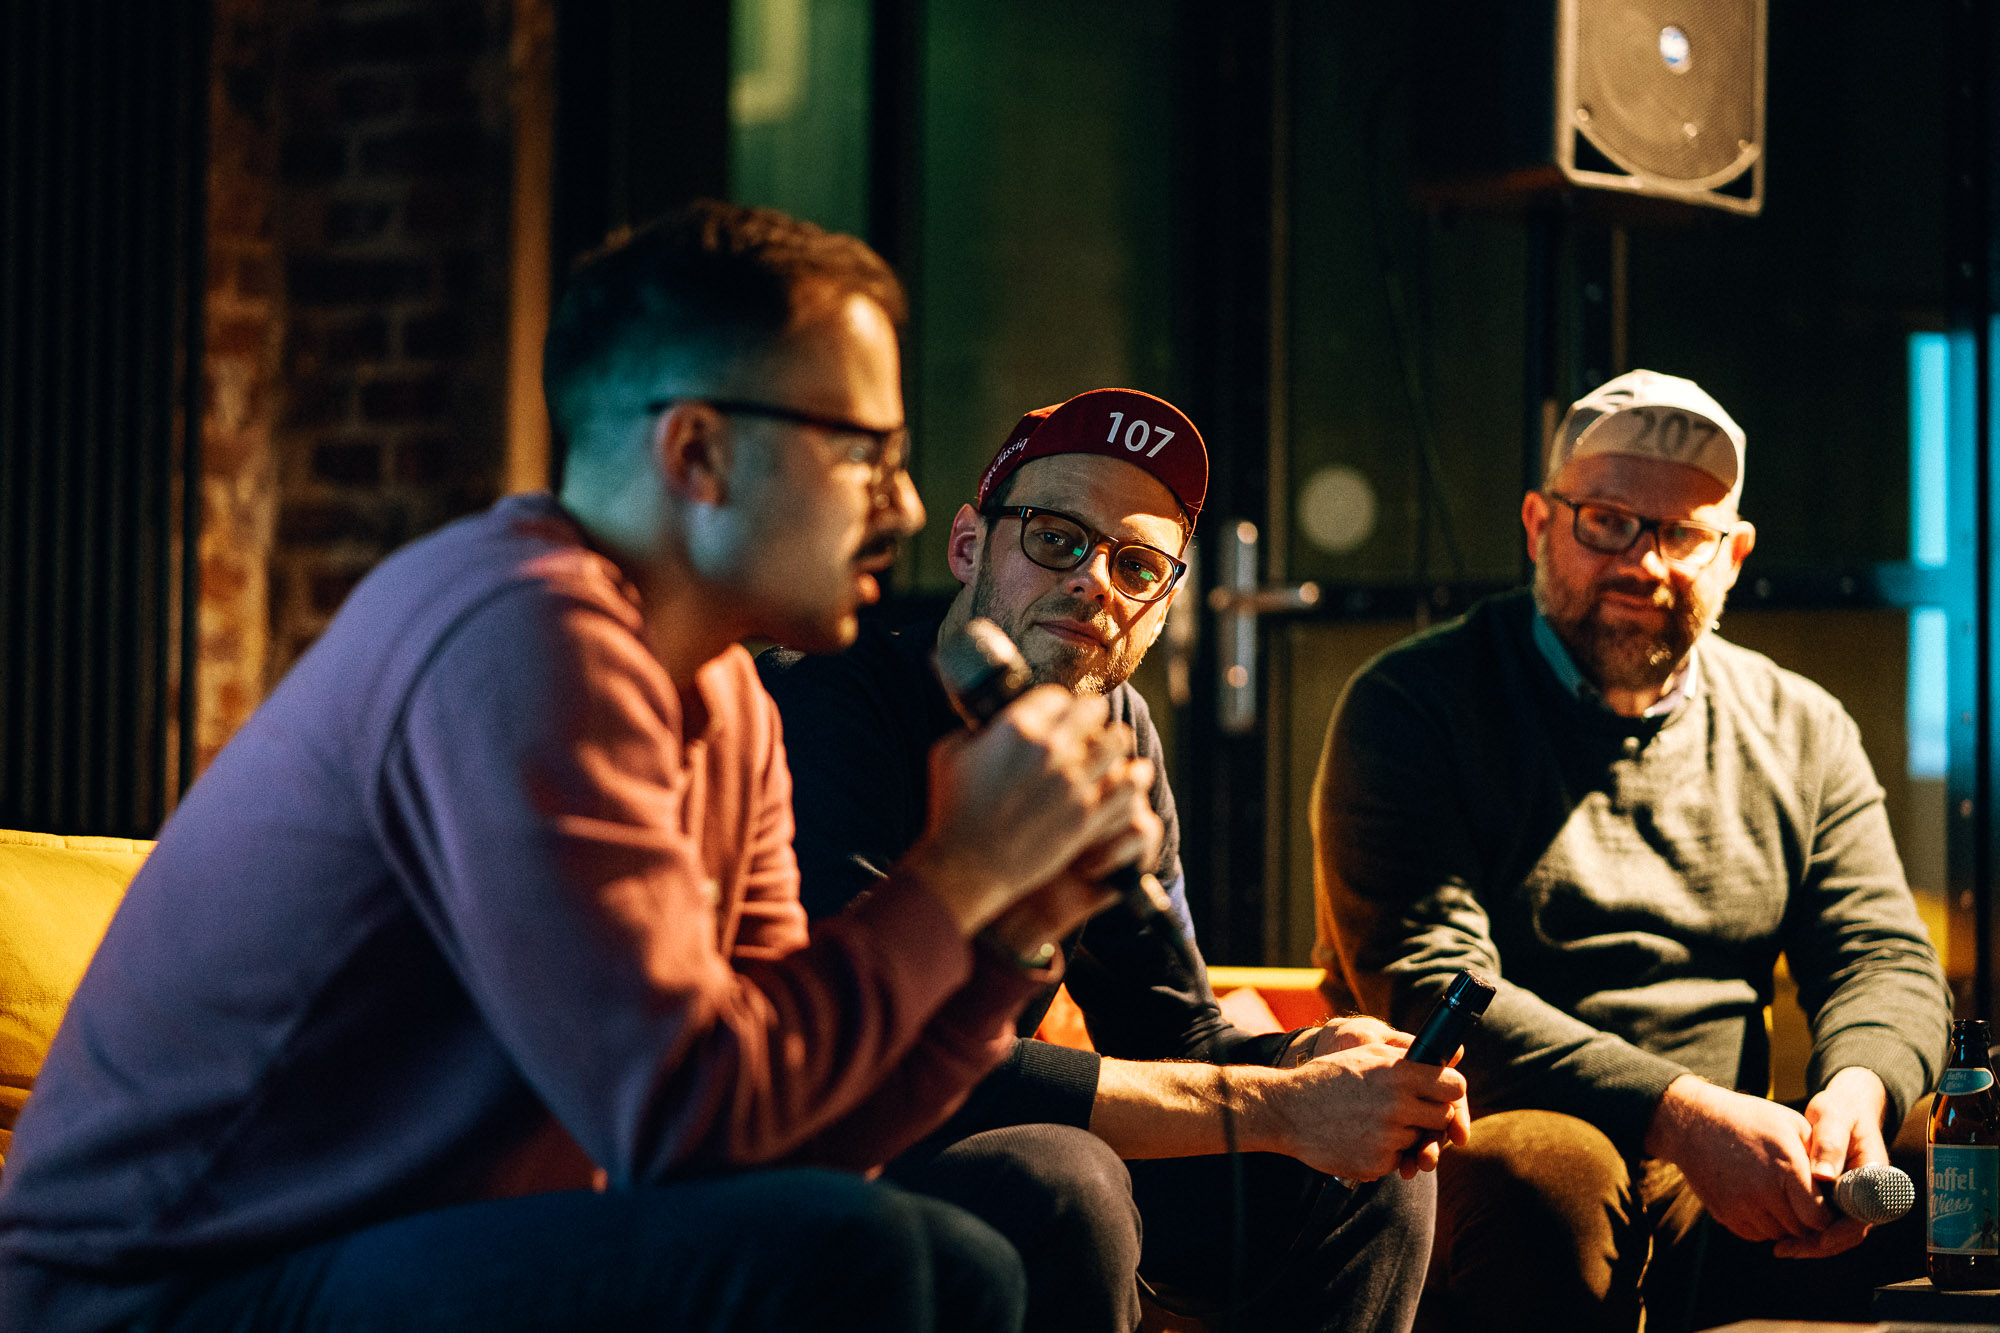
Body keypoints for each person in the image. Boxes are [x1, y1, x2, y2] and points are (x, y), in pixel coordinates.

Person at [0, 202, 1165, 1333]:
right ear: (698, 452)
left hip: (393, 1255)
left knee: (949, 1253)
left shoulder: (728, 697)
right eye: (865, 453)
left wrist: (1008, 938)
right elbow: (687, 1121)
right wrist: (953, 875)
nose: (905, 505)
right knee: (870, 1259)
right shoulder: (521, 635)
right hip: (174, 1289)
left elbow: (787, 1142)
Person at [759, 387, 1468, 1333]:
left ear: (1166, 605)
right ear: (969, 544)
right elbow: (868, 1060)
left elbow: (1172, 1030)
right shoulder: (835, 705)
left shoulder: (1120, 734)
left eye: (1138, 565)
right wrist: (1282, 1103)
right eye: (1056, 538)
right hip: (835, 1149)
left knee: (1365, 1172)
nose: (1099, 582)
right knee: (1065, 1176)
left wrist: (1316, 1064)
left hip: (999, 1119)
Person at [1311, 369, 1952, 1332]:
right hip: (1489, 1130)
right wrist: (1684, 1112)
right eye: (1605, 521)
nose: (1642, 562)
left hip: (1736, 1151)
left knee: (1969, 1173)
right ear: (1538, 526)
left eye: (1684, 533)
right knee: (1556, 1176)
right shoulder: (1413, 705)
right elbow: (1431, 982)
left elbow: (1882, 955)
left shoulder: (1799, 725)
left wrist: (1857, 1092)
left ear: (1731, 555)